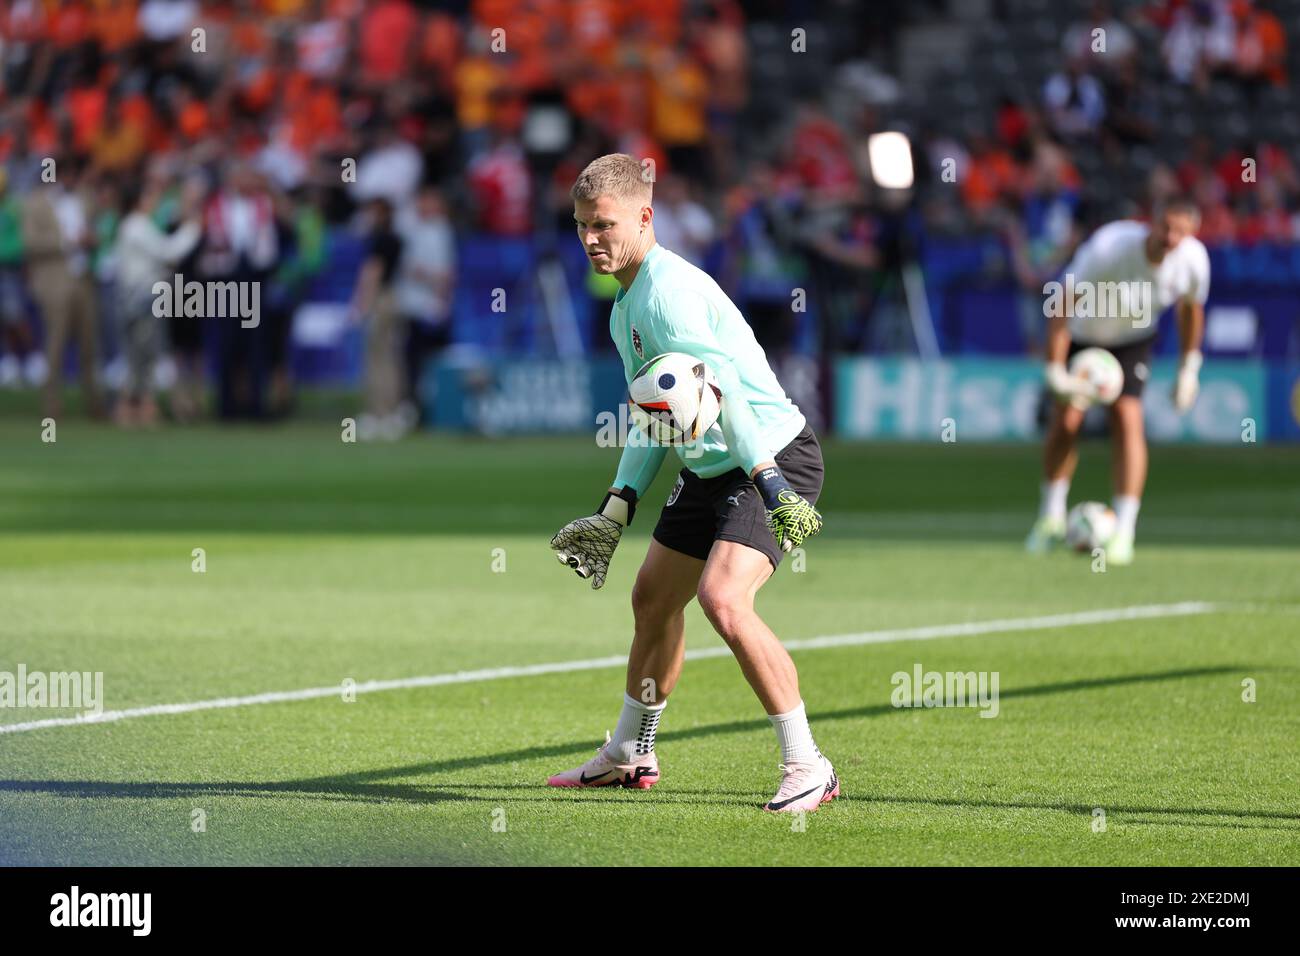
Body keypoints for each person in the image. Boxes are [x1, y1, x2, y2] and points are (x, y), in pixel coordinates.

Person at [546, 154, 835, 814]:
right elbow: (657, 418)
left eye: (604, 224)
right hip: (711, 467)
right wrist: (617, 507)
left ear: (645, 217)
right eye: (582, 225)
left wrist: (770, 484)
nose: (591, 238)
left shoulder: (668, 298)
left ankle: (808, 764)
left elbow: (724, 395)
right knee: (652, 599)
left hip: (771, 458)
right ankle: (631, 752)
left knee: (724, 600)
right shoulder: (625, 306)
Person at [1025, 197, 1210, 566]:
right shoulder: (1109, 247)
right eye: (1166, 227)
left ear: (1192, 234)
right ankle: (1051, 517)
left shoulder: (1193, 261)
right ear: (1152, 221)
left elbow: (1190, 310)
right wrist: (1055, 369)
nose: (1171, 238)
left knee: (1127, 418)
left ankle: (1124, 530)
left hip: (1132, 340)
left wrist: (1189, 367)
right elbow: (1062, 304)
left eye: (1181, 232)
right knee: (1066, 421)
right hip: (1083, 335)